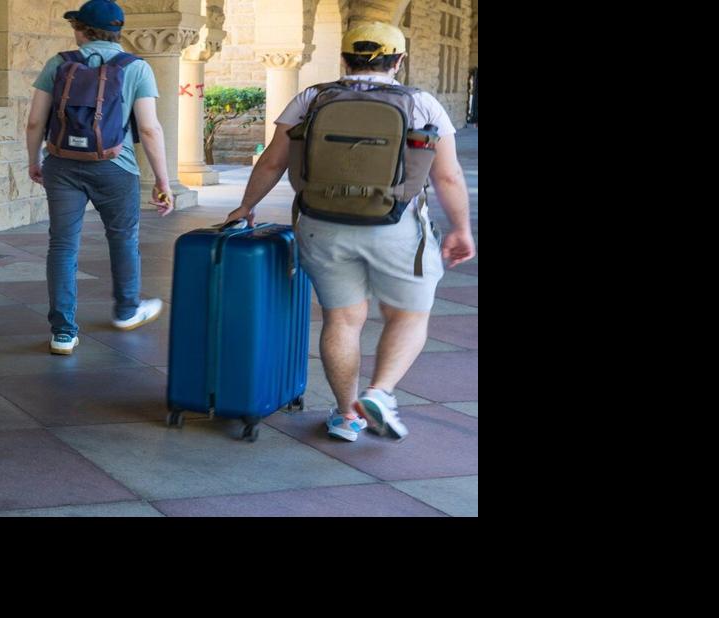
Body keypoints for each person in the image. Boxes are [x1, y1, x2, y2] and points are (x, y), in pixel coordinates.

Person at [226, 21, 475, 440]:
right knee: (410, 315)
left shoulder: (311, 98)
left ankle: (346, 415)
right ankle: (379, 392)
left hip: (321, 224)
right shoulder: (421, 104)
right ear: (398, 61)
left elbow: (272, 161)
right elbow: (447, 177)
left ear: (344, 58)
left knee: (341, 319)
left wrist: (245, 206)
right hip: (395, 226)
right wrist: (461, 229)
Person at [24, 0, 175, 356]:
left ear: (82, 30)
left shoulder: (59, 63)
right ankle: (126, 309)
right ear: (117, 30)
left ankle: (62, 333)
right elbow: (150, 129)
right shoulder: (136, 67)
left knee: (62, 245)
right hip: (116, 166)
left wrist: (35, 161)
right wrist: (163, 181)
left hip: (61, 164)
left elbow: (34, 121)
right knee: (123, 238)